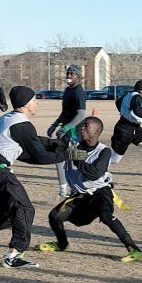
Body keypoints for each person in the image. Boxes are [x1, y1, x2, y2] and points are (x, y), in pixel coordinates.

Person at [0, 86, 88, 268]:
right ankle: (13, 256)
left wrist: (59, 144)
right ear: (26, 104)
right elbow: (39, 156)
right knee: (25, 209)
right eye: (35, 100)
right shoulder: (21, 124)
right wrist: (69, 155)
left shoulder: (7, 119)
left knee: (9, 214)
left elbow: (31, 146)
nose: (37, 103)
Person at [38, 116, 142, 263]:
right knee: (54, 216)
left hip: (101, 192)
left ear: (97, 131)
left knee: (106, 216)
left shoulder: (104, 152)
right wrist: (29, 137)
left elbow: (94, 174)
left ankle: (134, 249)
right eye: (82, 126)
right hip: (81, 195)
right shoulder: (74, 146)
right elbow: (51, 144)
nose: (82, 128)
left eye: (86, 126)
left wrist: (76, 157)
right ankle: (62, 244)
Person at [47, 64, 86, 198]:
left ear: (78, 76)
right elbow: (65, 112)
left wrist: (66, 127)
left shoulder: (79, 91)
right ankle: (64, 190)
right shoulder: (68, 90)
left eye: (72, 74)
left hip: (74, 132)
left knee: (74, 160)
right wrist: (55, 124)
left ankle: (76, 189)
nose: (68, 76)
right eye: (68, 73)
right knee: (60, 158)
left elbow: (81, 115)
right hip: (65, 131)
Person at [110, 80, 142, 188]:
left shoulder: (129, 95)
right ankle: (96, 164)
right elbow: (138, 110)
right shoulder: (137, 97)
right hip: (124, 130)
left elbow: (117, 102)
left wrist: (125, 112)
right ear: (141, 90)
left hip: (135, 129)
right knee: (115, 159)